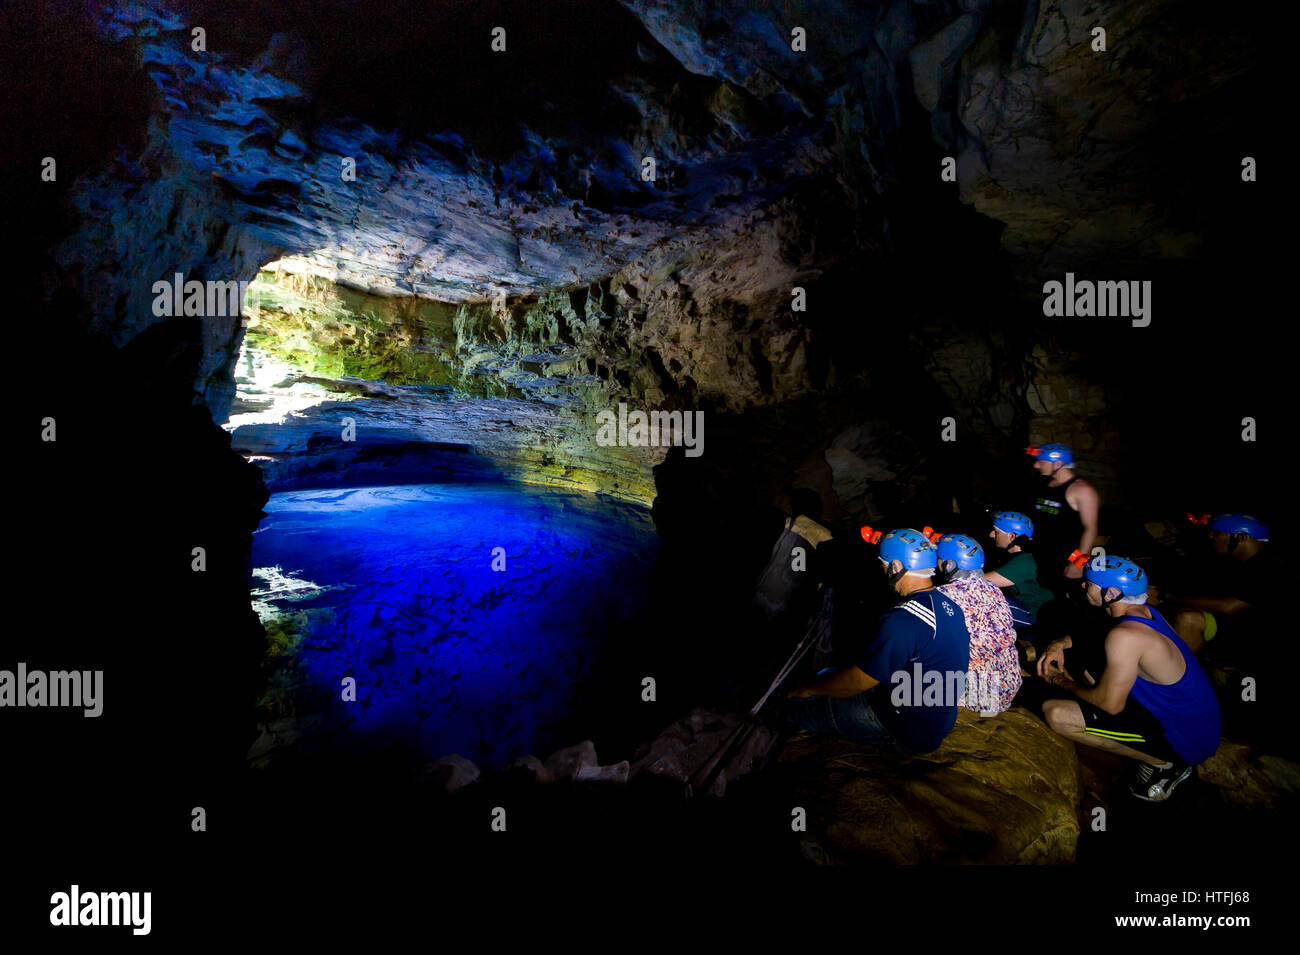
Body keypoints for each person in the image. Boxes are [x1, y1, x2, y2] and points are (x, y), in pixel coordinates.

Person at [1035, 555, 1221, 802]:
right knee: (1085, 662)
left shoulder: (1126, 636)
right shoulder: (1146, 613)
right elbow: (1096, 632)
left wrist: (1060, 682)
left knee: (1056, 714)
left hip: (1184, 739)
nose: (1083, 586)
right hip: (1198, 723)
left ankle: (1165, 765)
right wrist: (1061, 642)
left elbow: (1110, 705)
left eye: (1089, 584)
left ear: (1111, 593)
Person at [785, 528, 970, 755]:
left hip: (907, 728)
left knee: (798, 706)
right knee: (831, 673)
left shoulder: (904, 620)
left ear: (896, 567)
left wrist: (808, 689)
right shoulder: (948, 605)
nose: (883, 569)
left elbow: (859, 681)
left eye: (884, 563)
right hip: (934, 719)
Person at [1156, 513, 1273, 656]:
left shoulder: (1267, 566)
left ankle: (1185, 675)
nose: (1210, 536)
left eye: (1216, 533)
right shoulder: (1242, 565)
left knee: (1188, 618)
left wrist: (1168, 597)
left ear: (1241, 537)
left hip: (1256, 638)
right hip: (1239, 627)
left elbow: (1229, 607)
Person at [934, 533, 1021, 715]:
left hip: (979, 695)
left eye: (940, 559)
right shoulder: (992, 588)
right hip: (1008, 685)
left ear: (950, 565)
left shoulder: (943, 596)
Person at [1028, 443, 1101, 585]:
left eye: (1041, 462)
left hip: (1065, 559)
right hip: (1040, 556)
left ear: (1058, 464)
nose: (1036, 466)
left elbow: (1091, 529)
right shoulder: (1044, 485)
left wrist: (1079, 563)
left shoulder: (1082, 490)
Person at [983, 511, 1054, 622]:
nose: (991, 534)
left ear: (1012, 536)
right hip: (1022, 607)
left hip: (1033, 616)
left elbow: (978, 581)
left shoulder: (1025, 561)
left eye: (996, 532)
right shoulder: (1018, 555)